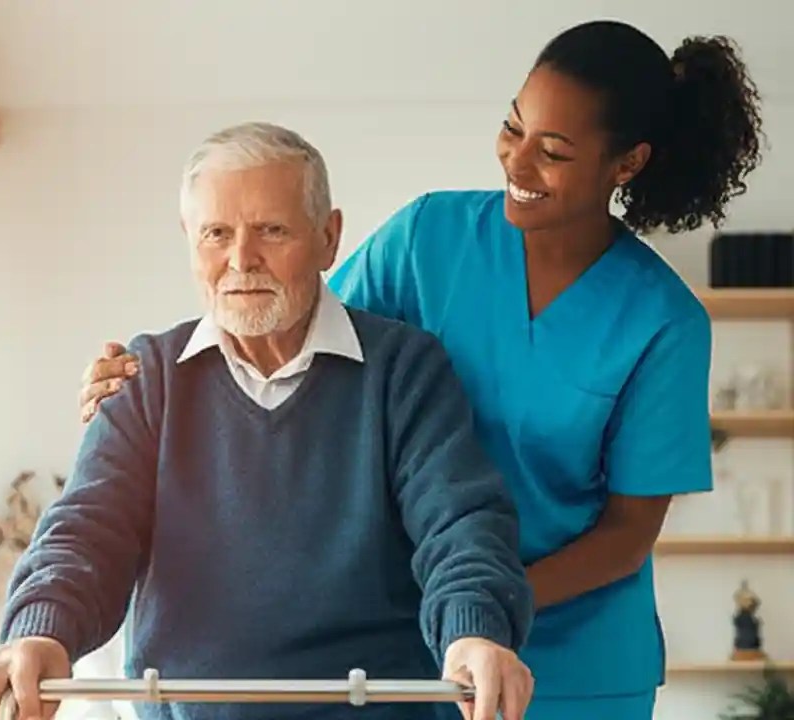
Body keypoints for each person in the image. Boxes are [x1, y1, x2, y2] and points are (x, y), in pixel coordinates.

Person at [74, 19, 764, 720]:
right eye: (512, 128)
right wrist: (150, 379)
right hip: (428, 651)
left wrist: (479, 603)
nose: (516, 164)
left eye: (552, 151)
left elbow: (627, 536)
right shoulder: (429, 239)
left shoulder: (663, 321)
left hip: (575, 660)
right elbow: (290, 333)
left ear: (627, 164)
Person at [0, 122, 537, 720]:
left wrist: (475, 630)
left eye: (271, 231)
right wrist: (40, 629)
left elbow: (459, 523)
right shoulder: (148, 379)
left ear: (328, 237)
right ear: (190, 241)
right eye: (217, 233)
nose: (241, 259)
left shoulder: (404, 370)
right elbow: (87, 529)